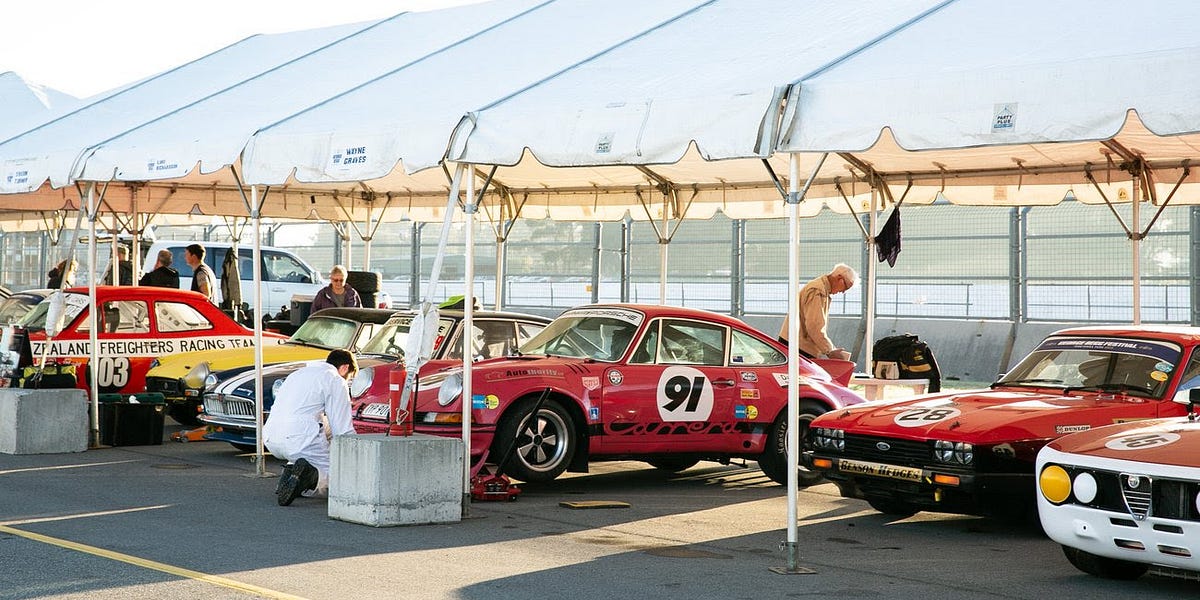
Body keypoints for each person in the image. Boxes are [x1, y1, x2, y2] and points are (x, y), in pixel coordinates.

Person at [264, 349, 358, 506]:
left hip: (271, 437)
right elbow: (342, 427)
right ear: (345, 368)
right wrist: (357, 450)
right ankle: (307, 476)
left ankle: (290, 471)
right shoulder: (335, 379)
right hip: (298, 439)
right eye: (350, 377)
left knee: (323, 428)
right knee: (336, 477)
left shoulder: (297, 374)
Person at [778, 263, 858, 361]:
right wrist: (830, 351)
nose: (843, 292)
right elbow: (814, 326)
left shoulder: (822, 289)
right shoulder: (817, 290)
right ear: (839, 278)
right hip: (797, 346)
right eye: (846, 287)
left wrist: (831, 349)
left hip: (796, 344)